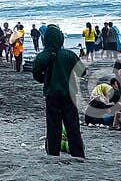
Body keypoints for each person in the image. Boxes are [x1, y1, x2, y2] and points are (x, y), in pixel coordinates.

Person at [31, 23, 86, 159]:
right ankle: (78, 154)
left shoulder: (43, 56)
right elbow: (82, 71)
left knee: (53, 127)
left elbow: (36, 74)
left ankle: (53, 153)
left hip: (52, 95)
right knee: (72, 126)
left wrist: (46, 79)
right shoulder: (69, 55)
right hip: (70, 95)